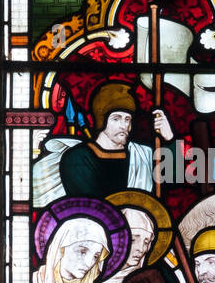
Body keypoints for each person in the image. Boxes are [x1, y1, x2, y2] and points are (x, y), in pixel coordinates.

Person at [33, 83, 172, 205]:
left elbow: (175, 180)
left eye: (127, 119)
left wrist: (169, 138)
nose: (124, 125)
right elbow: (91, 204)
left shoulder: (141, 154)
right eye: (116, 119)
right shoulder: (77, 158)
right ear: (101, 121)